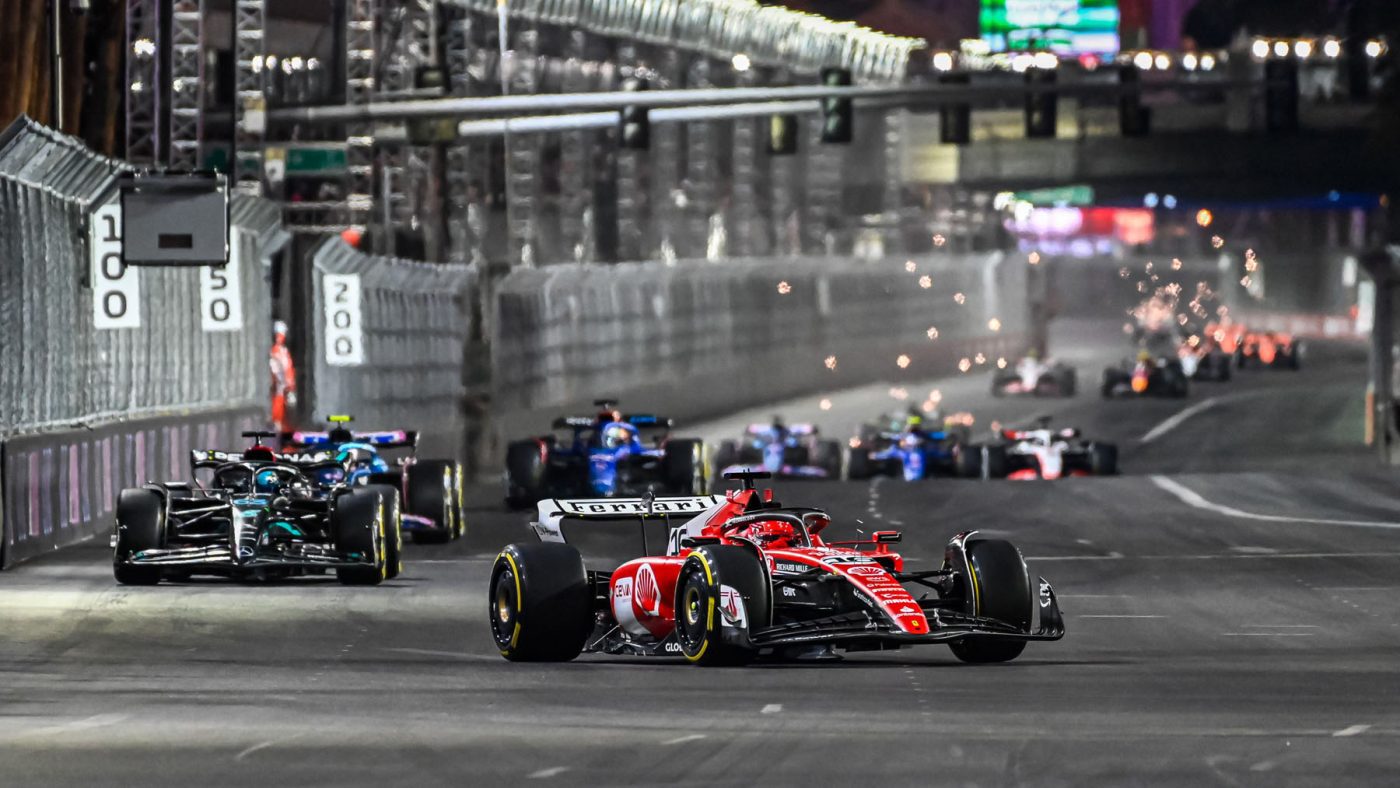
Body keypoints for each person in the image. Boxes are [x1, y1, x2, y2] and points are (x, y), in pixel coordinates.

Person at [269, 321, 297, 432]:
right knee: (278, 401)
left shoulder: (283, 351)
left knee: (287, 405)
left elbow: (288, 368)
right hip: (280, 384)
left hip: (286, 385)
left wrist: (290, 386)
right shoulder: (274, 351)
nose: (279, 337)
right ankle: (277, 424)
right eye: (277, 335)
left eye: (281, 335)